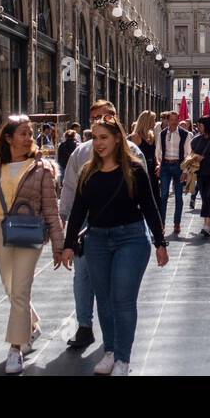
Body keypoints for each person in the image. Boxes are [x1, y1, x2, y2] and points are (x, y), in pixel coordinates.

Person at [61, 115, 168, 375]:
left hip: (131, 239)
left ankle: (123, 358)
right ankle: (110, 351)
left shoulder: (134, 170)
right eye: (95, 138)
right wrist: (68, 244)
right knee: (105, 300)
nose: (98, 143)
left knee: (122, 298)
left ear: (118, 138)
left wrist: (160, 242)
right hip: (97, 239)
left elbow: (150, 207)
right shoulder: (88, 171)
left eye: (104, 138)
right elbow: (78, 210)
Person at [0, 114, 64, 374]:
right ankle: (31, 325)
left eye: (30, 133)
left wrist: (58, 244)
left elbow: (51, 210)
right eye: (23, 133)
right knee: (11, 290)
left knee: (20, 292)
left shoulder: (42, 169)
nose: (29, 138)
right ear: (8, 138)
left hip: (29, 233)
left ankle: (15, 349)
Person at [60, 101, 139, 351]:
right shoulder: (81, 152)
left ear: (114, 118)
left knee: (115, 281)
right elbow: (70, 186)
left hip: (123, 225)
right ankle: (84, 325)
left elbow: (143, 192)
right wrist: (67, 223)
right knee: (83, 276)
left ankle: (113, 332)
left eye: (103, 116)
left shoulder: (132, 150)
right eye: (93, 117)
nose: (97, 121)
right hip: (87, 224)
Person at [157, 111, 190, 236]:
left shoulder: (185, 134)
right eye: (172, 120)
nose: (174, 122)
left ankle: (177, 223)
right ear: (167, 120)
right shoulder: (162, 134)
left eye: (176, 120)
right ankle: (162, 224)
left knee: (178, 197)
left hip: (178, 166)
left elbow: (188, 154)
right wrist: (160, 164)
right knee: (164, 195)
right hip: (165, 165)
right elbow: (158, 151)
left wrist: (185, 171)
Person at [128, 111, 160, 205]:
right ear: (147, 121)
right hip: (140, 172)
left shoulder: (151, 136)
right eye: (153, 120)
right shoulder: (135, 137)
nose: (155, 123)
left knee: (155, 200)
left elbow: (153, 155)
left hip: (152, 172)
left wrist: (158, 164)